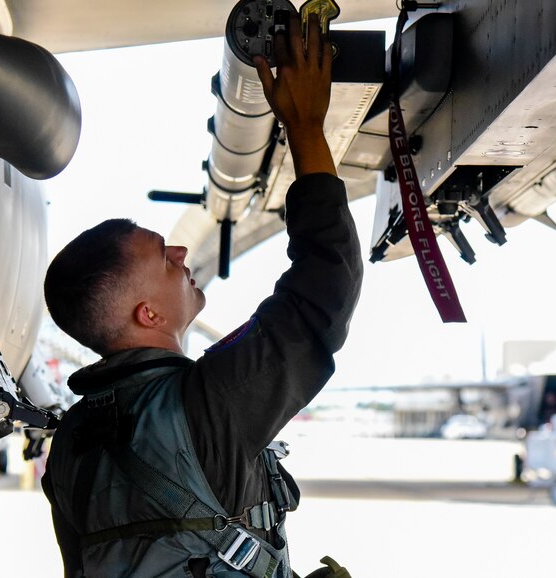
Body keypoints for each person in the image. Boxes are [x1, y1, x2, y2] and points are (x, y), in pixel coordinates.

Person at [41, 14, 362, 578]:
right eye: (164, 256)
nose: (183, 256)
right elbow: (324, 286)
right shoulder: (208, 406)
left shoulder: (69, 445)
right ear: (148, 314)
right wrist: (306, 126)